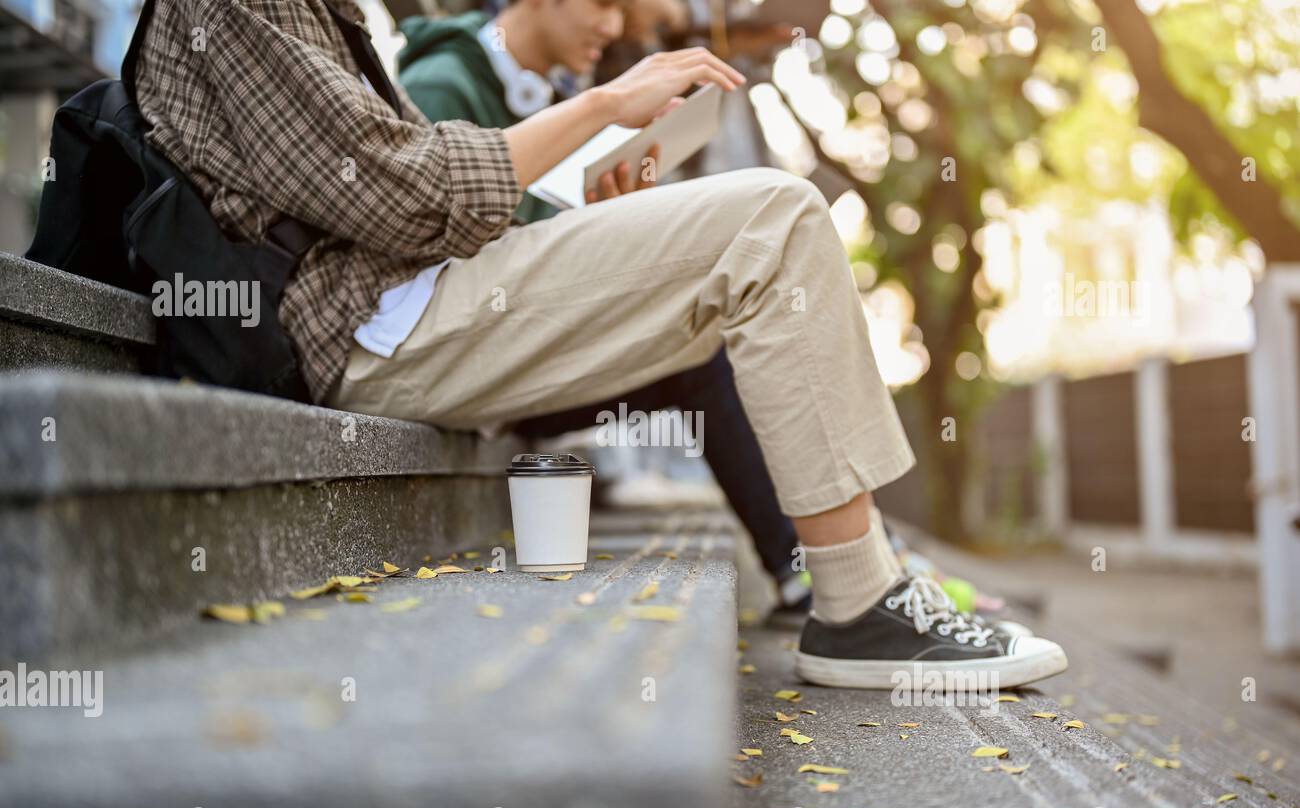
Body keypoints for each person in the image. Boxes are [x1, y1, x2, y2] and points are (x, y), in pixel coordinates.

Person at [131, 0, 1067, 688]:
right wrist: (601, 106)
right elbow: (403, 195)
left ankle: (860, 580)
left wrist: (602, 201)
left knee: (750, 246)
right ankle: (856, 599)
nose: (617, 20)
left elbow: (410, 197)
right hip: (360, 325)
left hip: (403, 301)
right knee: (771, 221)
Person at [396, 0, 811, 622]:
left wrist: (605, 219)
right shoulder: (441, 85)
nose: (614, 28)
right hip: (464, 358)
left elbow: (533, 248)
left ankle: (816, 556)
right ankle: (805, 565)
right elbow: (426, 260)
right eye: (603, 4)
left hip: (519, 346)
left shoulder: (543, 97)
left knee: (705, 332)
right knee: (705, 337)